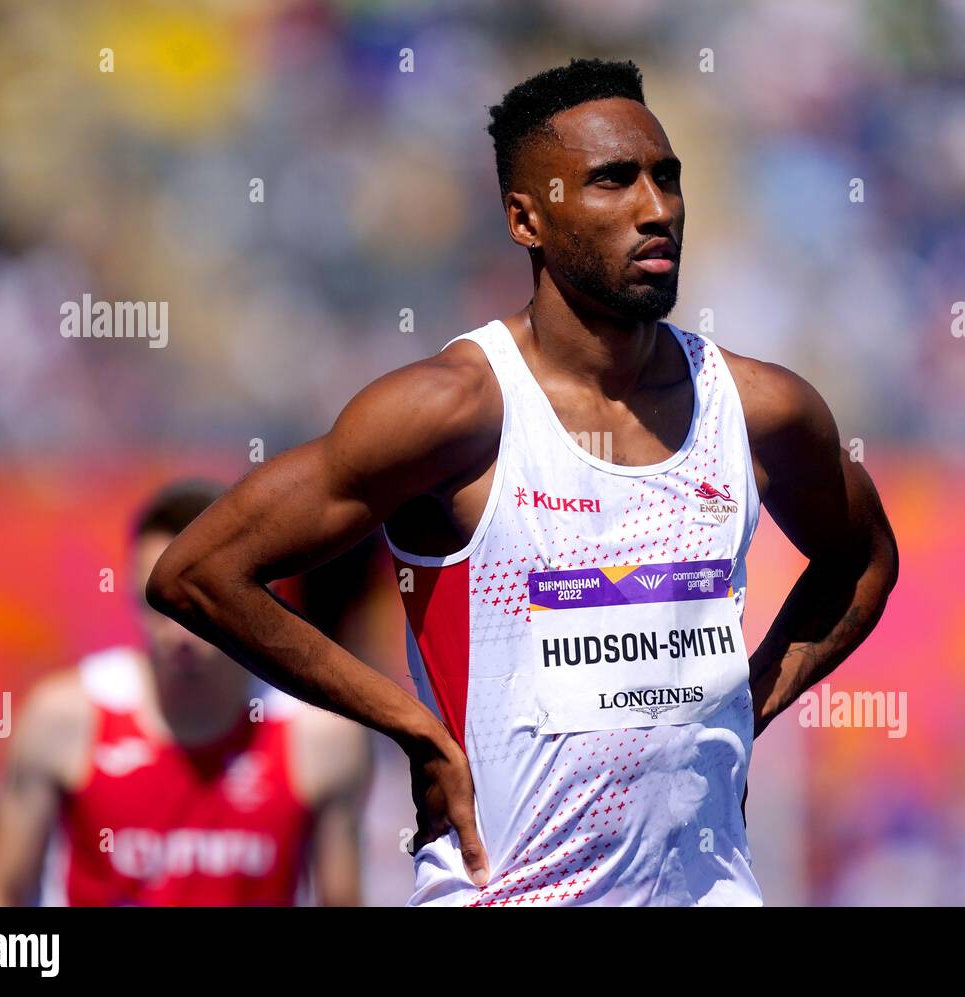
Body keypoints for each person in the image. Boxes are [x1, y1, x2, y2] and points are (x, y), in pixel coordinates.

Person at [145, 58, 899, 906]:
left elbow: (864, 560)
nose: (656, 209)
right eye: (613, 180)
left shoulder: (759, 409)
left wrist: (749, 706)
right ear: (526, 218)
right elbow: (198, 573)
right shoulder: (457, 410)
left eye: (667, 177)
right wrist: (409, 725)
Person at [0, 480, 372, 906]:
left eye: (199, 602)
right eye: (159, 602)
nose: (179, 632)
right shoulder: (66, 717)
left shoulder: (320, 737)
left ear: (256, 597)